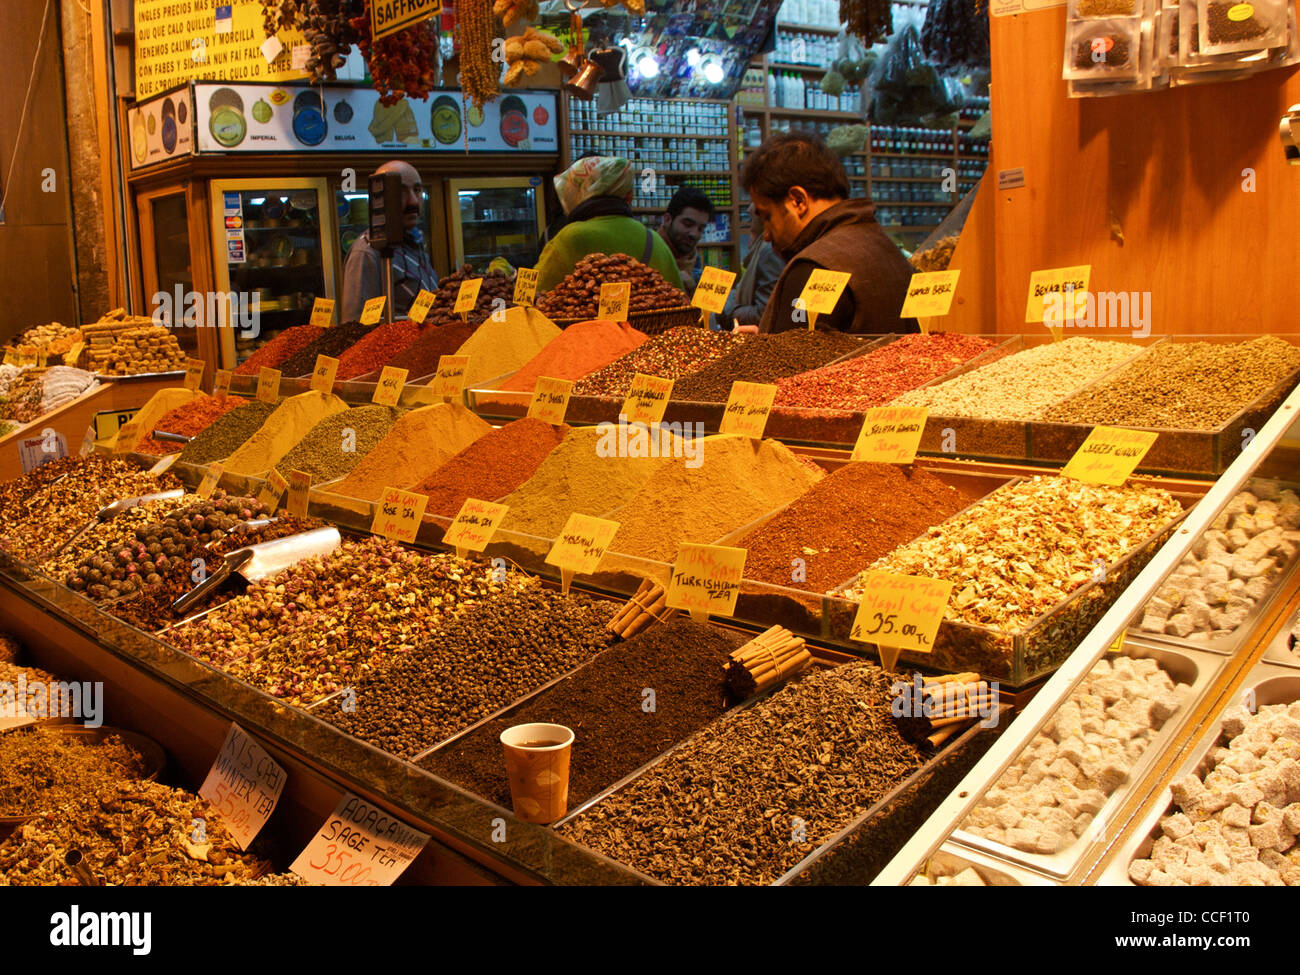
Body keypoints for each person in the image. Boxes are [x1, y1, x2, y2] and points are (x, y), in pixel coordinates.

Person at [739, 133, 917, 335]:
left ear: (798, 201)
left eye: (767, 216)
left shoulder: (813, 267)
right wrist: (762, 341)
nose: (768, 235)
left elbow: (788, 364)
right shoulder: (887, 248)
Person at [536, 157, 684, 293]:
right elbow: (680, 300)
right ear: (627, 194)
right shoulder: (654, 240)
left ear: (578, 193)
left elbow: (532, 296)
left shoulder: (569, 238)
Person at [340, 160, 438, 324]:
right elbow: (354, 327)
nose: (413, 201)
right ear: (379, 197)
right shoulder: (366, 252)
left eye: (417, 190)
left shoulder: (415, 242)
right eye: (401, 191)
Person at [716, 203, 785, 332]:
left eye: (755, 201)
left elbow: (764, 314)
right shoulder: (763, 247)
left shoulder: (770, 251)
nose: (749, 208)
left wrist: (726, 308)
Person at [658, 186, 714, 294]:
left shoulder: (694, 258)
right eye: (687, 224)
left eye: (700, 228)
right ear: (667, 219)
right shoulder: (650, 251)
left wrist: (693, 290)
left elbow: (709, 310)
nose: (694, 234)